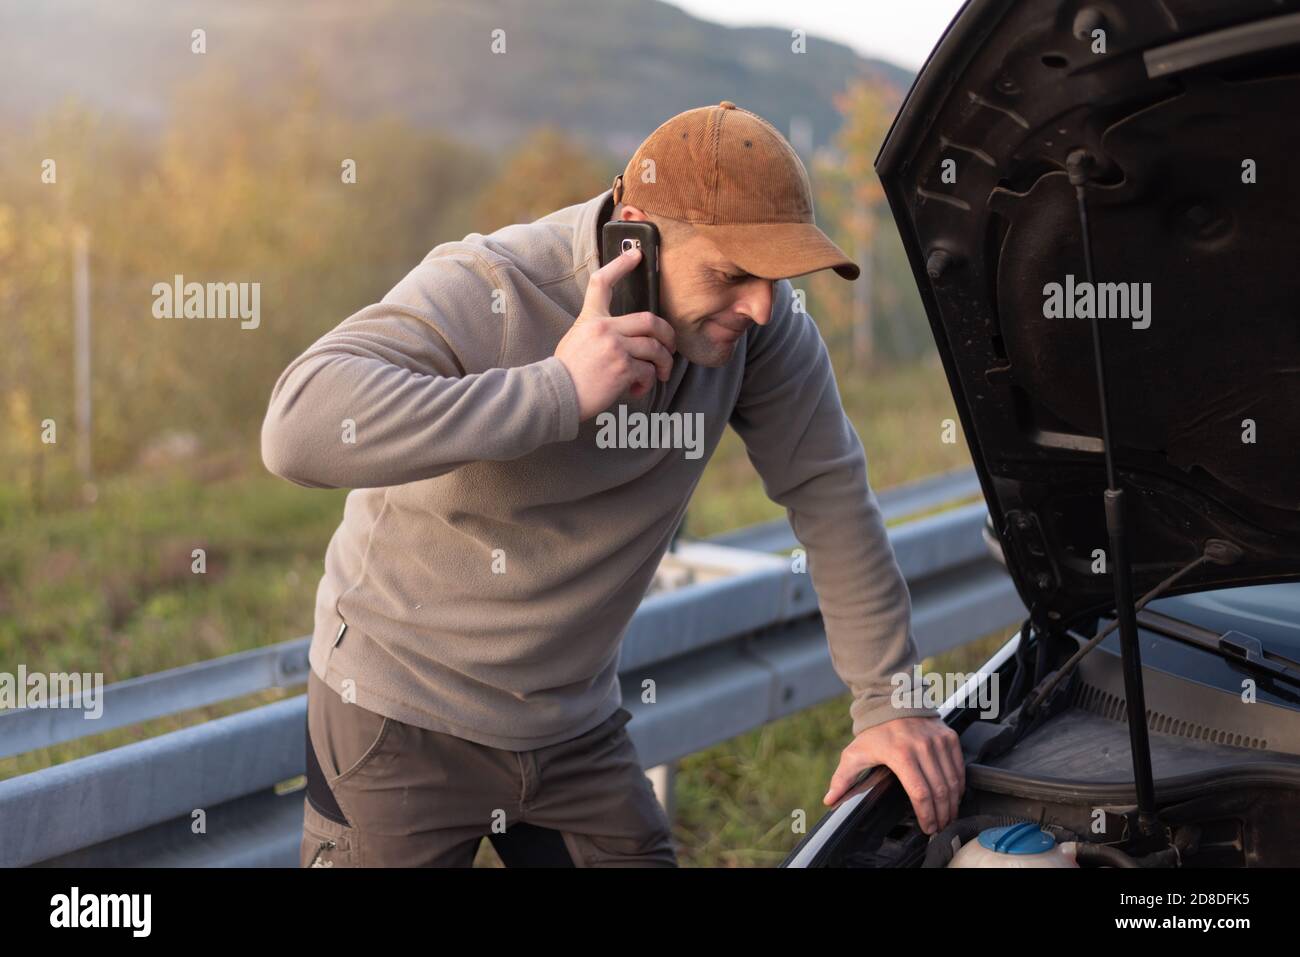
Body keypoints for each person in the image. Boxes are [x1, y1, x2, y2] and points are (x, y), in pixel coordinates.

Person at [262, 100, 963, 868]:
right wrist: (558, 388)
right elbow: (296, 425)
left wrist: (891, 702)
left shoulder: (762, 329)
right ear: (635, 236)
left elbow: (831, 497)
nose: (762, 305)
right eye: (733, 273)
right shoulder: (498, 284)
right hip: (399, 715)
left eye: (776, 274)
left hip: (569, 726)